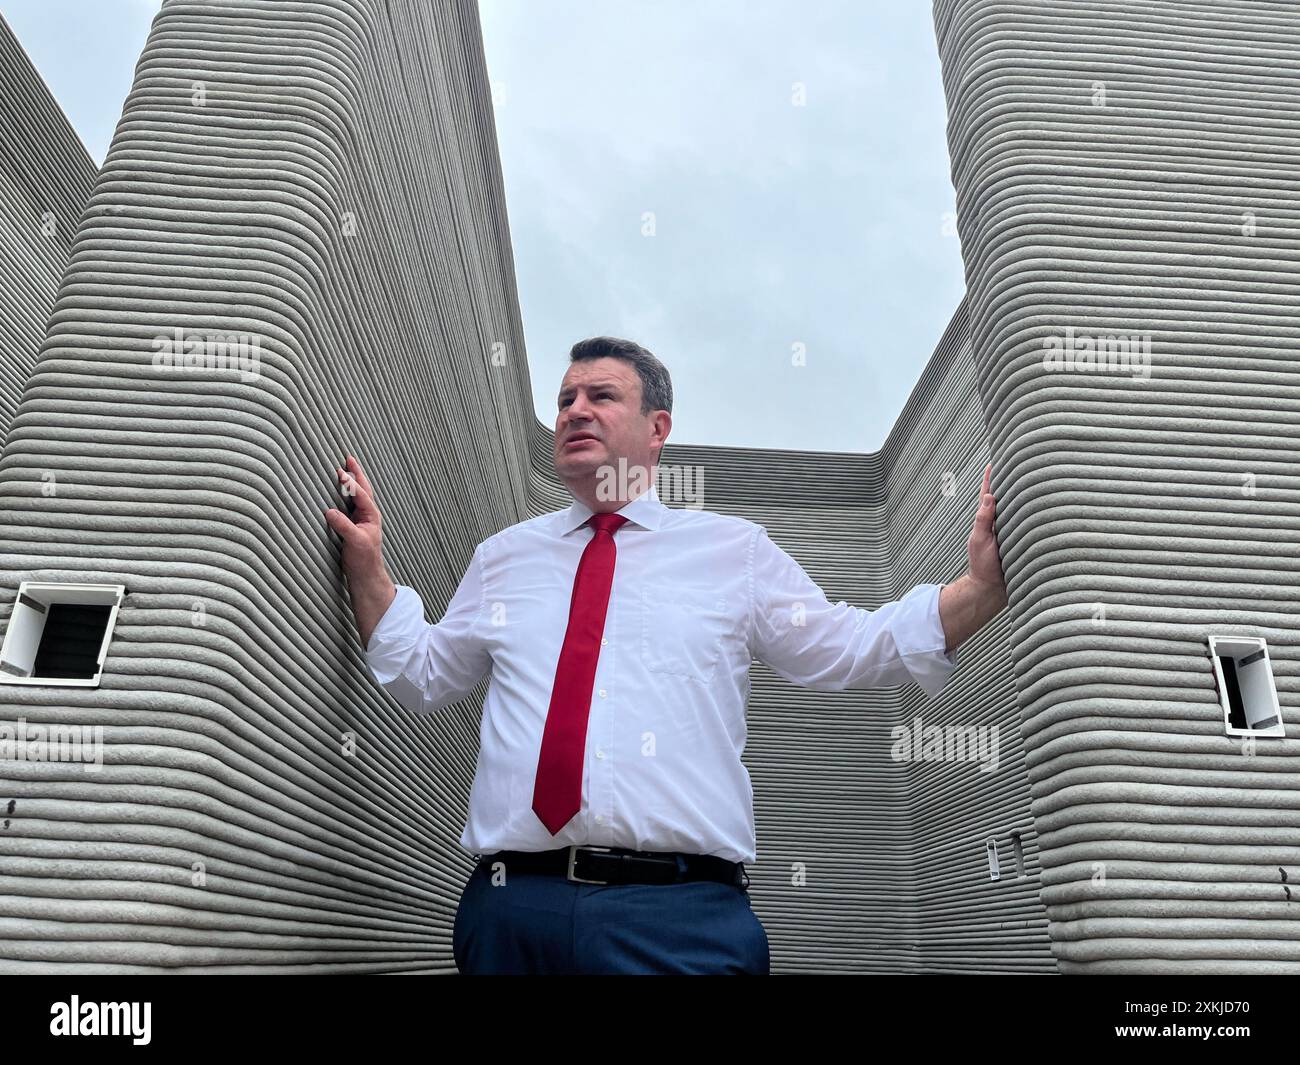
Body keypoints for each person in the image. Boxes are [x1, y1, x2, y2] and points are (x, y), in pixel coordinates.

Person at [324, 335, 1008, 974]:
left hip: (679, 921)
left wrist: (978, 589)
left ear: (658, 429)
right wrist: (368, 568)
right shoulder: (503, 559)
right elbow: (423, 672)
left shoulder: (732, 553)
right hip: (511, 911)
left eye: (600, 396)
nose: (574, 412)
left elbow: (850, 646)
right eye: (565, 400)